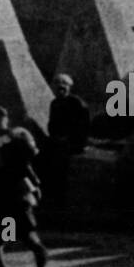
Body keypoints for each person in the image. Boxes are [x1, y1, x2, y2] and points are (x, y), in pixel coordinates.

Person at [0, 107, 49, 267]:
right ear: (7, 119)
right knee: (13, 226)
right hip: (18, 187)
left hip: (4, 188)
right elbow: (27, 164)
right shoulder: (19, 135)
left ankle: (37, 251)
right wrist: (35, 184)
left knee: (5, 226)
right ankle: (0, 260)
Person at [42, 73, 90, 209]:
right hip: (58, 141)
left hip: (72, 143)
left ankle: (59, 199)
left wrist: (70, 140)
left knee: (59, 163)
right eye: (57, 85)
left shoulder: (77, 104)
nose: (60, 88)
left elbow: (83, 128)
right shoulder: (54, 103)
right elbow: (52, 125)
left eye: (64, 86)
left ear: (69, 88)